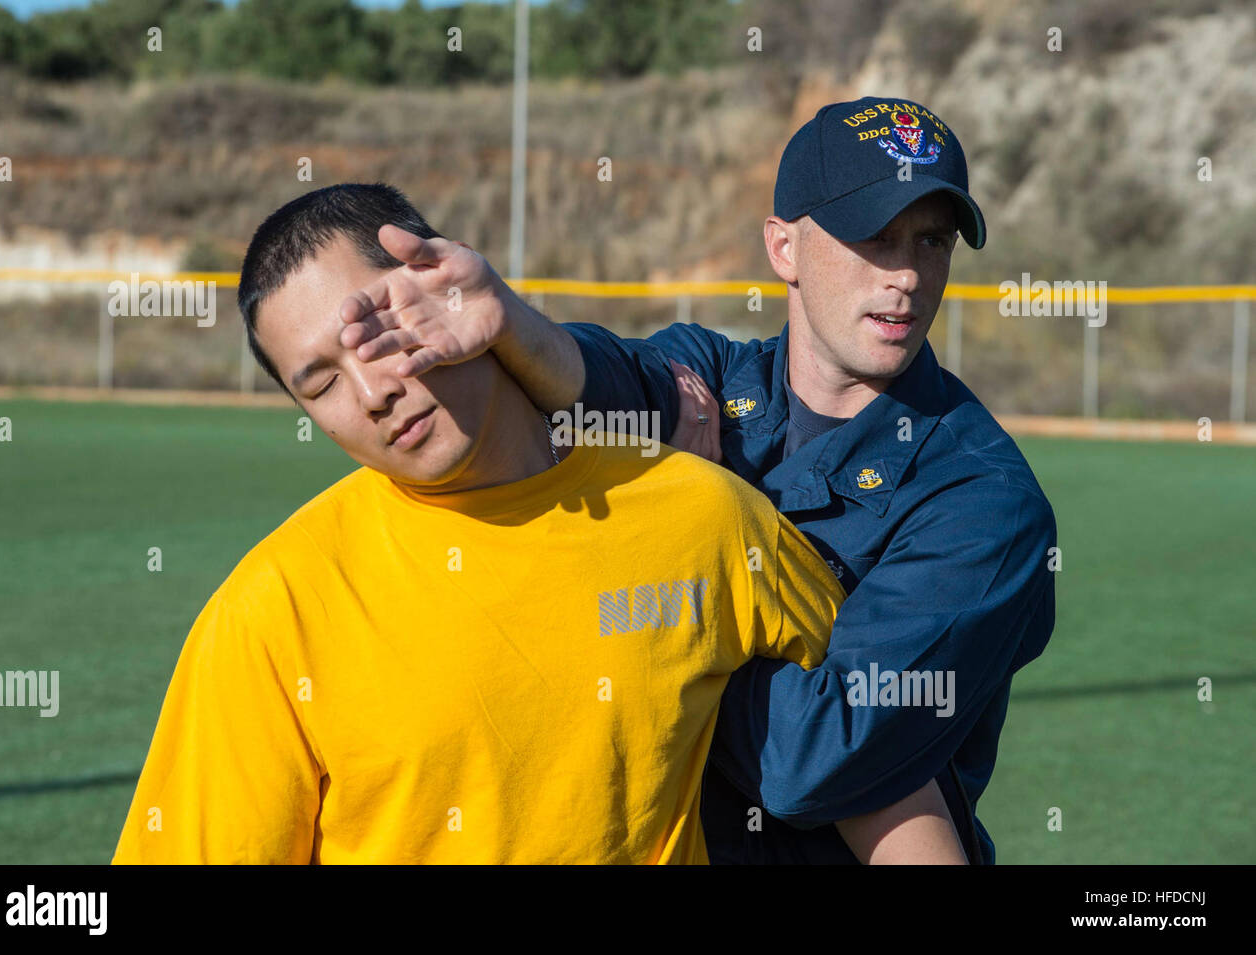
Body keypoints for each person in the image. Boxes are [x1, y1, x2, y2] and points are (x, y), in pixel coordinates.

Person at [111, 182, 970, 864]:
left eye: (373, 333)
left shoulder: (704, 514)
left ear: (446, 283)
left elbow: (875, 761)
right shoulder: (272, 611)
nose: (371, 391)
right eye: (320, 383)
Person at [333, 97, 1058, 864]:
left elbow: (814, 759)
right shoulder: (712, 374)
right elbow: (598, 384)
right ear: (783, 247)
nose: (908, 274)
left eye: (933, 240)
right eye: (874, 237)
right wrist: (510, 322)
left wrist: (685, 537)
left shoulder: (983, 503)